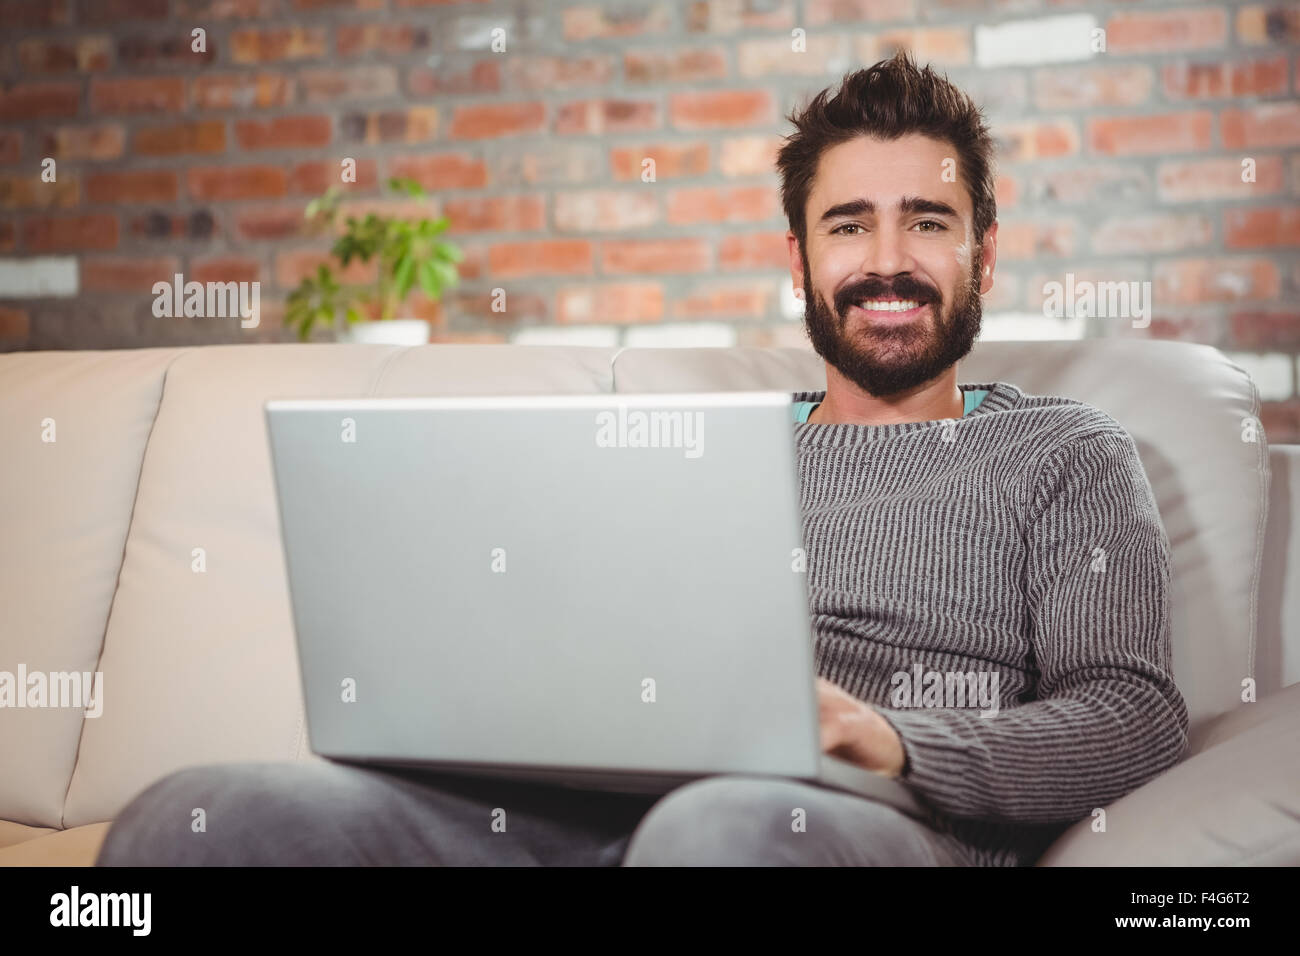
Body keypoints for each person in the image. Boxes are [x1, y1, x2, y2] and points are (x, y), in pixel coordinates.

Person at [97, 50, 1188, 868]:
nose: (888, 262)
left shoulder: (1062, 451)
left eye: (928, 223)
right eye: (848, 225)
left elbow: (1130, 714)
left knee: (713, 831)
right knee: (200, 817)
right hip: (575, 814)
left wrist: (892, 735)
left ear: (982, 250)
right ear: (798, 259)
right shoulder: (702, 455)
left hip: (847, 820)